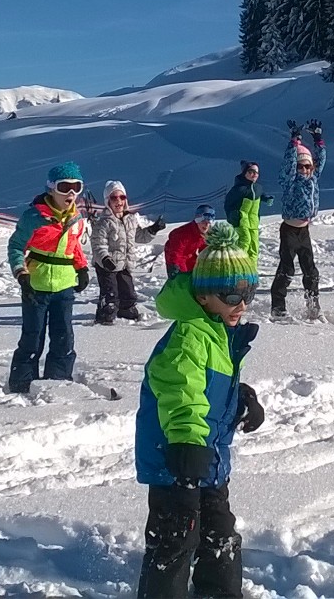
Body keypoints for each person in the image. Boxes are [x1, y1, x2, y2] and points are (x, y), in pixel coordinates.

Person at [134, 219, 266, 599]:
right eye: (230, 292)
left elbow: (209, 385)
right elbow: (180, 389)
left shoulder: (218, 330)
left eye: (248, 291)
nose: (240, 303)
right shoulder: (190, 334)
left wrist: (240, 396)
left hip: (208, 460)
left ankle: (219, 592)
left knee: (220, 533)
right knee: (176, 538)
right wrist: (188, 443)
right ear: (204, 295)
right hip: (177, 459)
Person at [5, 161, 92, 393]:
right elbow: (15, 247)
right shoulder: (34, 217)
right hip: (37, 285)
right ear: (51, 189)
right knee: (33, 335)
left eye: (77, 187)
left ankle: (59, 378)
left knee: (63, 335)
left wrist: (81, 267)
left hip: (64, 286)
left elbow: (74, 246)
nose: (71, 193)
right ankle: (22, 380)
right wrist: (21, 274)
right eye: (64, 187)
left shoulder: (76, 219)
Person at [270, 119, 326, 320]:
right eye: (301, 167)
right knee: (287, 269)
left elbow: (321, 159)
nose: (304, 170)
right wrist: (295, 141)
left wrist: (318, 139)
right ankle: (278, 306)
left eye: (307, 167)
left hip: (304, 230)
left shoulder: (313, 178)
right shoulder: (290, 181)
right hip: (289, 230)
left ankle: (313, 305)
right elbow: (288, 164)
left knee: (310, 269)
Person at [91, 180, 166, 324]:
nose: (118, 201)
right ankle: (105, 318)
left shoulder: (130, 219)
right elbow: (97, 244)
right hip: (106, 266)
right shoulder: (104, 222)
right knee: (110, 294)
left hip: (124, 264)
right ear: (108, 201)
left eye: (122, 197)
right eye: (114, 198)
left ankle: (127, 311)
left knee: (129, 293)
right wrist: (105, 258)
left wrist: (153, 229)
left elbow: (139, 236)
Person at [223, 161, 274, 264]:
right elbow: (228, 203)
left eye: (256, 172)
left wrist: (266, 198)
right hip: (241, 219)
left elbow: (260, 194)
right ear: (245, 173)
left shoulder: (257, 187)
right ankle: (238, 265)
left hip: (253, 220)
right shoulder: (239, 189)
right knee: (244, 241)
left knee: (254, 244)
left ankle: (251, 269)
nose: (254, 174)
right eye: (251, 171)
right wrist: (232, 215)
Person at [165, 204, 215, 277]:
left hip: (190, 255)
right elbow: (176, 251)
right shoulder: (183, 234)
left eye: (209, 223)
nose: (206, 225)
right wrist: (174, 264)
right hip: (175, 257)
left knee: (196, 272)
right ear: (197, 221)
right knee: (182, 276)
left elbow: (204, 249)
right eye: (203, 222)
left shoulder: (205, 234)